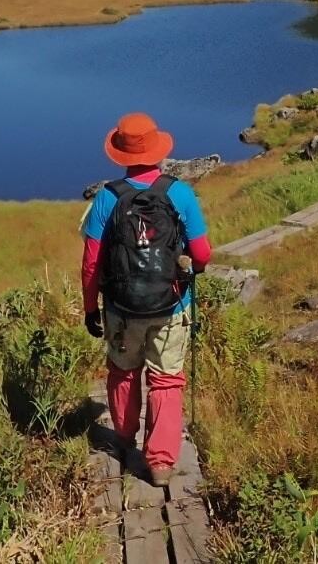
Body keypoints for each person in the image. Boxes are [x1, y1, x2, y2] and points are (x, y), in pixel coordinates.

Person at [81, 112, 212, 487]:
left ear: (120, 154)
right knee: (167, 380)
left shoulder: (107, 198)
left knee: (123, 372)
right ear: (157, 149)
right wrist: (190, 266)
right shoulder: (179, 193)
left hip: (122, 308)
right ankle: (161, 463)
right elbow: (202, 253)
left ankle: (124, 440)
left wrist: (91, 308)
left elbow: (91, 264)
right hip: (172, 303)